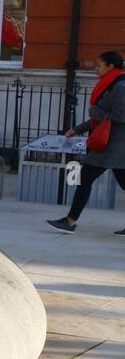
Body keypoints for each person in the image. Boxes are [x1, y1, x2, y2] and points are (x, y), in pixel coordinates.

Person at [46, 50, 125, 235]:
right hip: (111, 146)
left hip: (112, 145)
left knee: (85, 179)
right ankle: (70, 221)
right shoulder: (111, 84)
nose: (96, 69)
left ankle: (70, 221)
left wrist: (94, 112)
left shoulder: (120, 86)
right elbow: (103, 117)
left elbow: (119, 116)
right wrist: (78, 129)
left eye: (99, 66)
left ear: (111, 67)